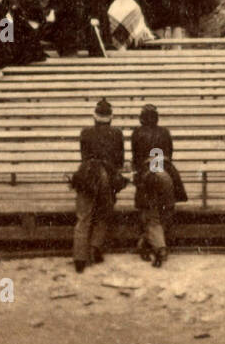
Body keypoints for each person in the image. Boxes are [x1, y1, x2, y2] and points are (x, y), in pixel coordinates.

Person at [72, 98, 125, 271]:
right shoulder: (117, 133)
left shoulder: (85, 132)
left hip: (87, 173)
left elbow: (83, 156)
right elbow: (119, 161)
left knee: (83, 217)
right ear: (111, 118)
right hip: (106, 175)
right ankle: (95, 247)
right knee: (103, 213)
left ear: (95, 117)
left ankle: (79, 259)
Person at [131, 104, 186, 267]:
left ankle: (155, 247)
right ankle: (153, 245)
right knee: (166, 210)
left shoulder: (137, 132)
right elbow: (170, 153)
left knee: (149, 213)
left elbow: (136, 157)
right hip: (165, 170)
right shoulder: (165, 132)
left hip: (148, 171)